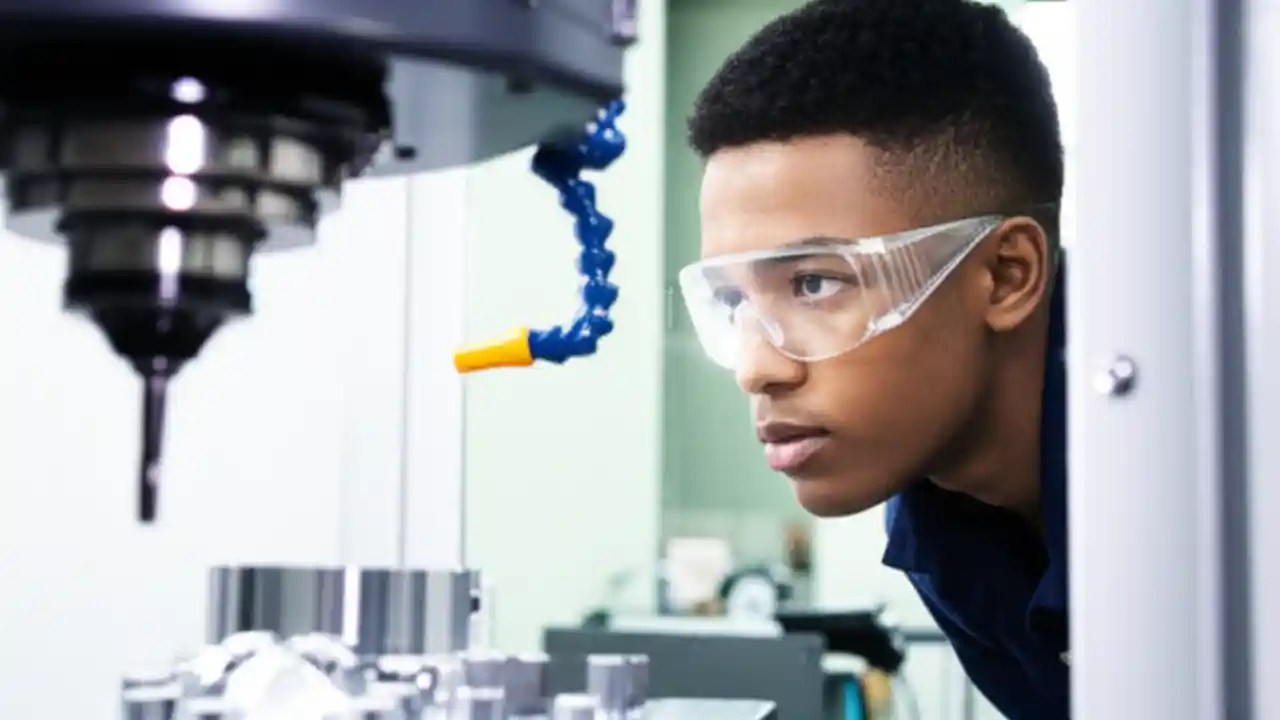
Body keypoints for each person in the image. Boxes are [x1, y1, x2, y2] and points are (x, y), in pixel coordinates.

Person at [676, 1, 1067, 718]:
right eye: (734, 302)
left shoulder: (1210, 491)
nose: (756, 369)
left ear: (1007, 275)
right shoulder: (937, 527)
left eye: (814, 283)